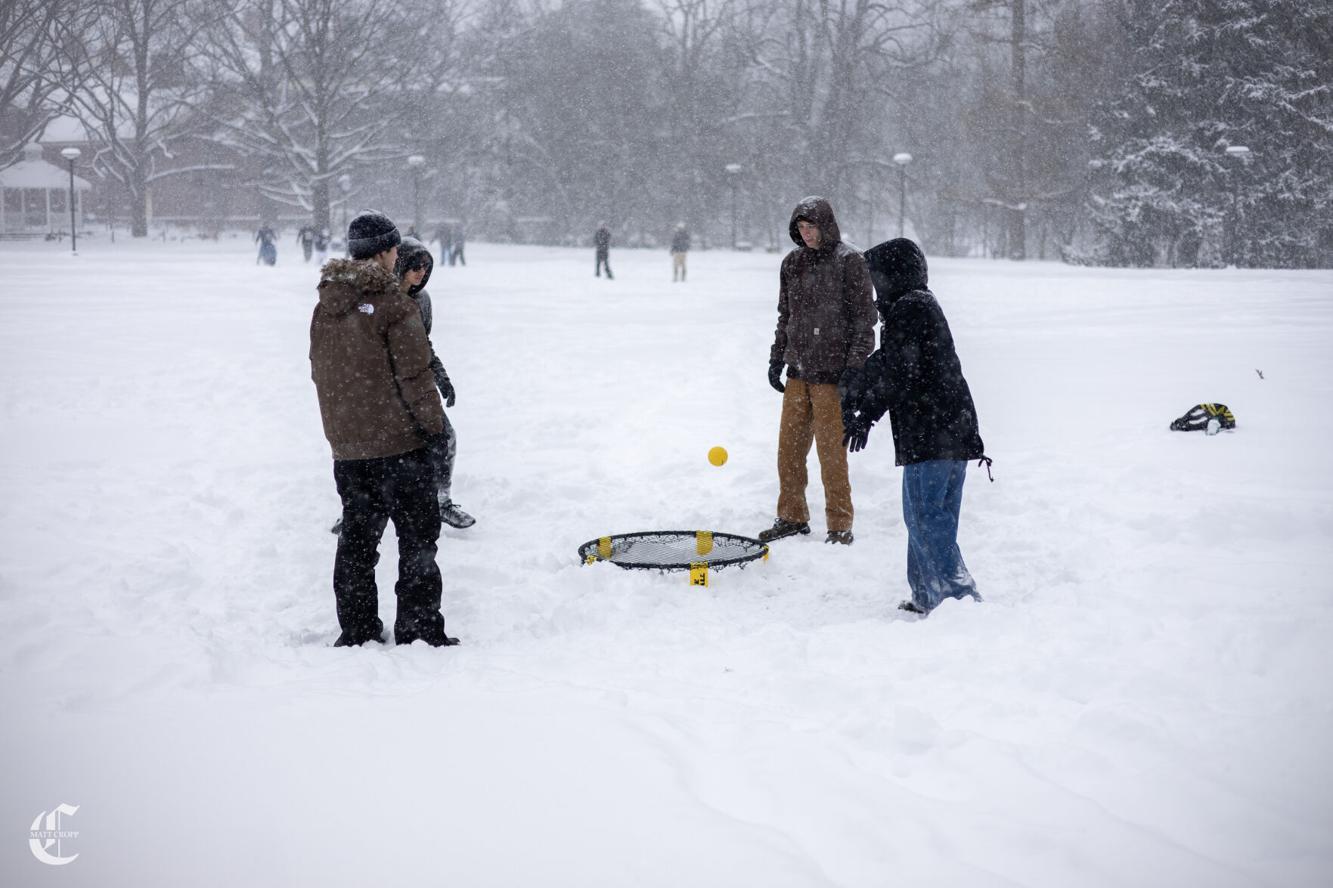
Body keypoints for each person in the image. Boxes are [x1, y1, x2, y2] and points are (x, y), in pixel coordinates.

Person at [309, 210, 458, 647]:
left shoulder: (326, 305)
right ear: (387, 252)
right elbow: (415, 376)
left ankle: (357, 629)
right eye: (394, 249)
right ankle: (419, 628)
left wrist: (343, 433)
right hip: (400, 449)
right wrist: (434, 431)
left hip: (350, 451)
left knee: (357, 543)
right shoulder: (394, 303)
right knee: (417, 541)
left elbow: (322, 374)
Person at [841, 238, 989, 616]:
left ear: (895, 274)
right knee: (930, 518)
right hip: (950, 430)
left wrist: (866, 413)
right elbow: (889, 361)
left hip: (933, 432)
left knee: (925, 518)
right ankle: (926, 595)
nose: (874, 286)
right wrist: (854, 386)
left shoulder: (911, 308)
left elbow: (899, 372)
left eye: (877, 277)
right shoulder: (916, 305)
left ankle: (960, 600)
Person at [759, 196, 876, 545]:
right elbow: (786, 316)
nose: (807, 233)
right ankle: (791, 516)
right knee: (789, 452)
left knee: (831, 455)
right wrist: (777, 358)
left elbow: (864, 321)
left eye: (812, 226)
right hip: (798, 372)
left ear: (826, 225)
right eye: (801, 227)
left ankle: (840, 525)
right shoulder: (792, 263)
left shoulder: (849, 261)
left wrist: (854, 367)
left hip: (832, 377)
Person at [394, 237, 475, 529]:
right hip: (385, 389)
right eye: (415, 266)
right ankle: (358, 512)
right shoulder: (382, 301)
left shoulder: (422, 301)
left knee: (445, 437)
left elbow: (423, 345)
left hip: (418, 387)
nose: (421, 272)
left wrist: (441, 378)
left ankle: (441, 501)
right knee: (378, 451)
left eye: (426, 267)